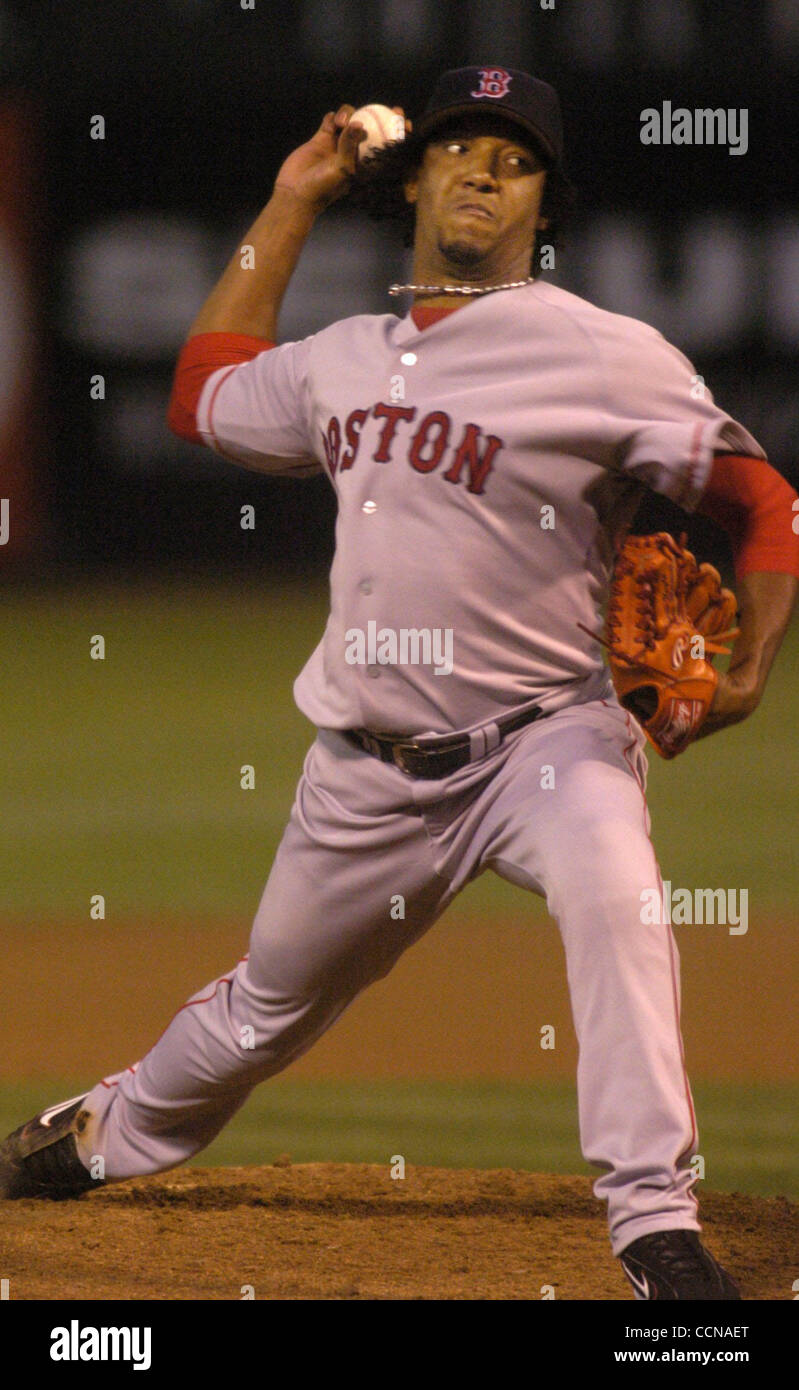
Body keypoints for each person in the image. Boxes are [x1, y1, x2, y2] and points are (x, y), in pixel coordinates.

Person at [3, 66, 798, 1302]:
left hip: (550, 742)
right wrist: (290, 198)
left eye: (514, 156)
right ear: (413, 177)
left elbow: (761, 498)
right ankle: (109, 1130)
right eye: (457, 146)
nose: (482, 168)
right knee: (261, 1009)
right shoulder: (343, 359)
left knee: (620, 900)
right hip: (365, 773)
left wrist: (746, 664)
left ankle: (654, 1227)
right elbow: (202, 396)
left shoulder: (604, 354)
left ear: (546, 207)